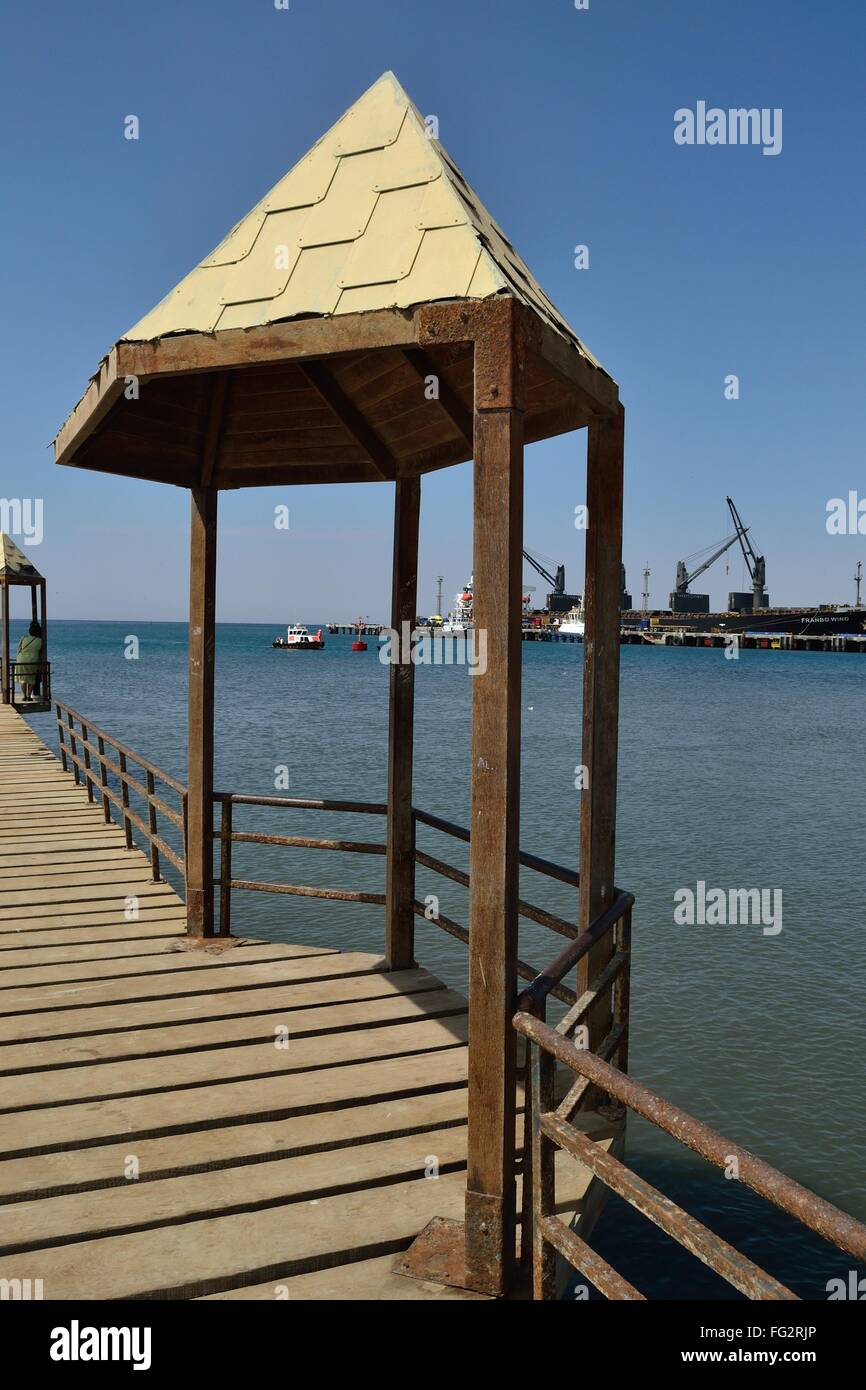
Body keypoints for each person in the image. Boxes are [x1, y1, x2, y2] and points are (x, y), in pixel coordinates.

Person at [15, 621, 42, 702]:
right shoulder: (40, 641)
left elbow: (18, 649)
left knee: (23, 678)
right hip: (32, 660)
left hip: (21, 660)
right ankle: (29, 696)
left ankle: (24, 696)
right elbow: (40, 652)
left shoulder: (23, 638)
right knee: (31, 678)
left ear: (29, 631)